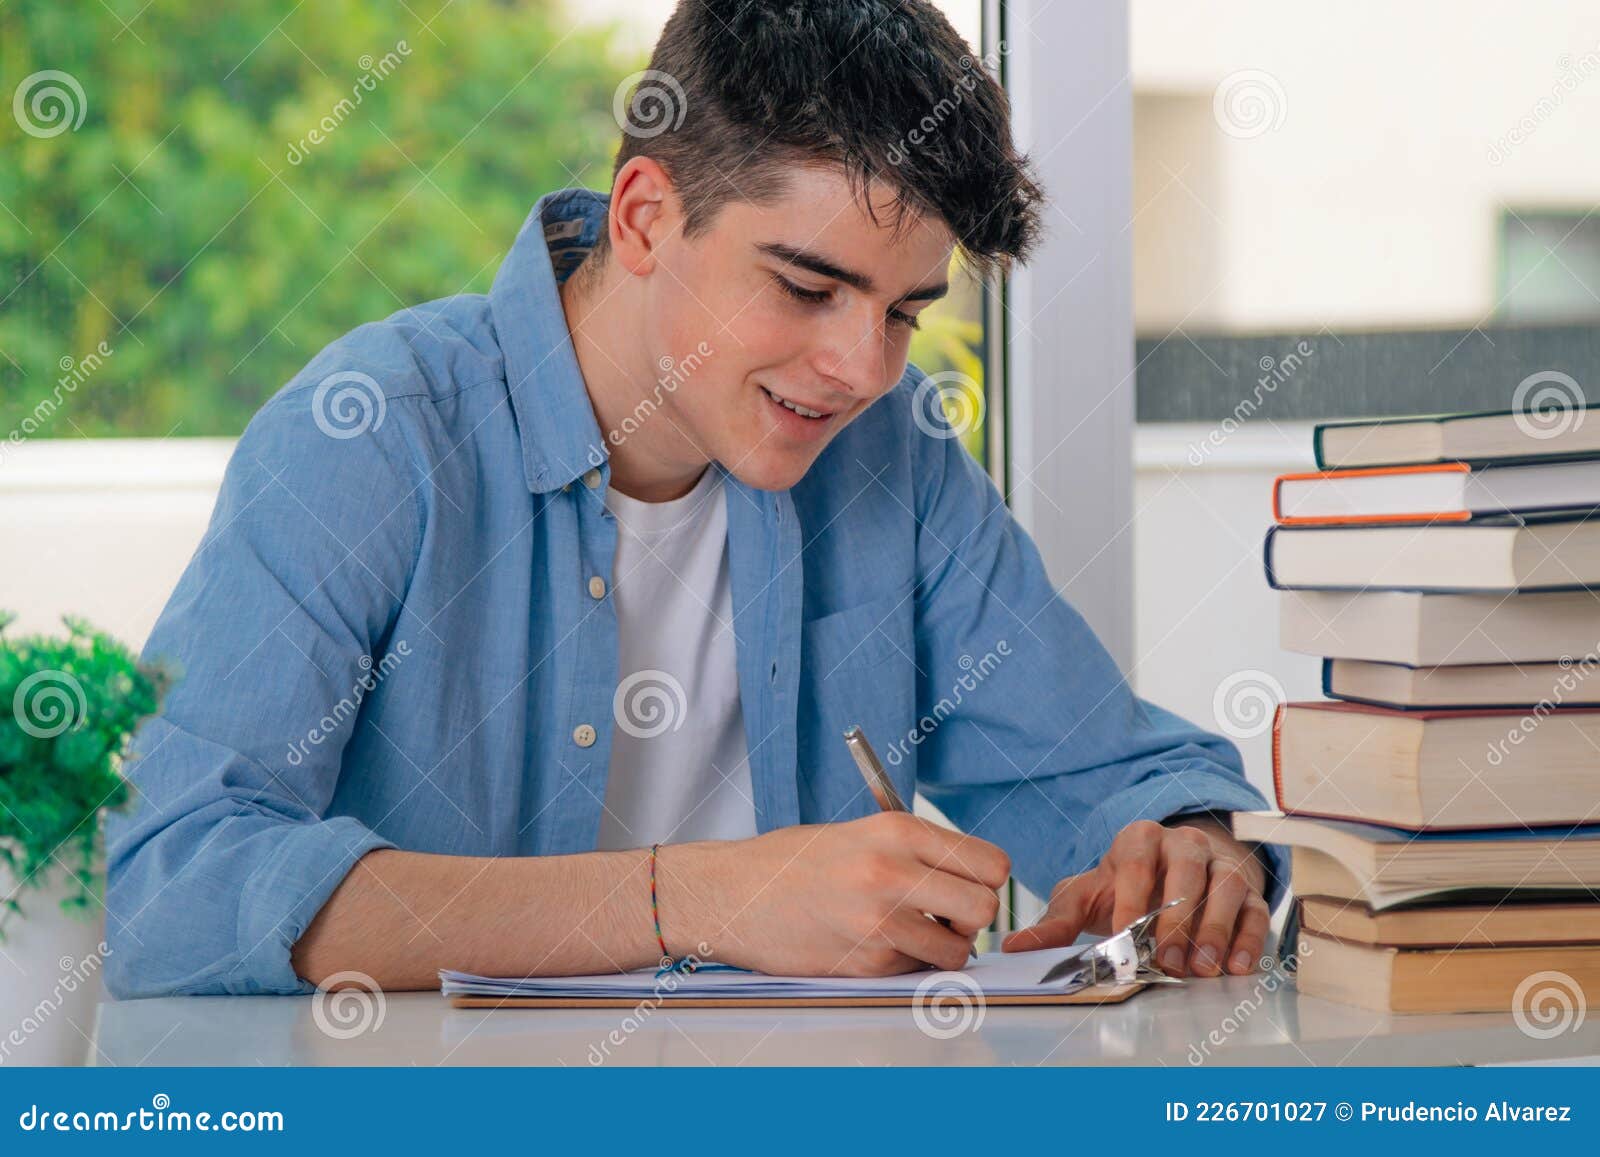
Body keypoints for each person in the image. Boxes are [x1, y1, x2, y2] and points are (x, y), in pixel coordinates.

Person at [105, 0, 1284, 998]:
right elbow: (173, 885)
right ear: (644, 216)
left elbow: (1105, 770)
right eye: (807, 285)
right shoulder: (372, 435)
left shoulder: (893, 455)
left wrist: (1189, 850)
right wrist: (702, 895)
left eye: (903, 312)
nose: (862, 367)